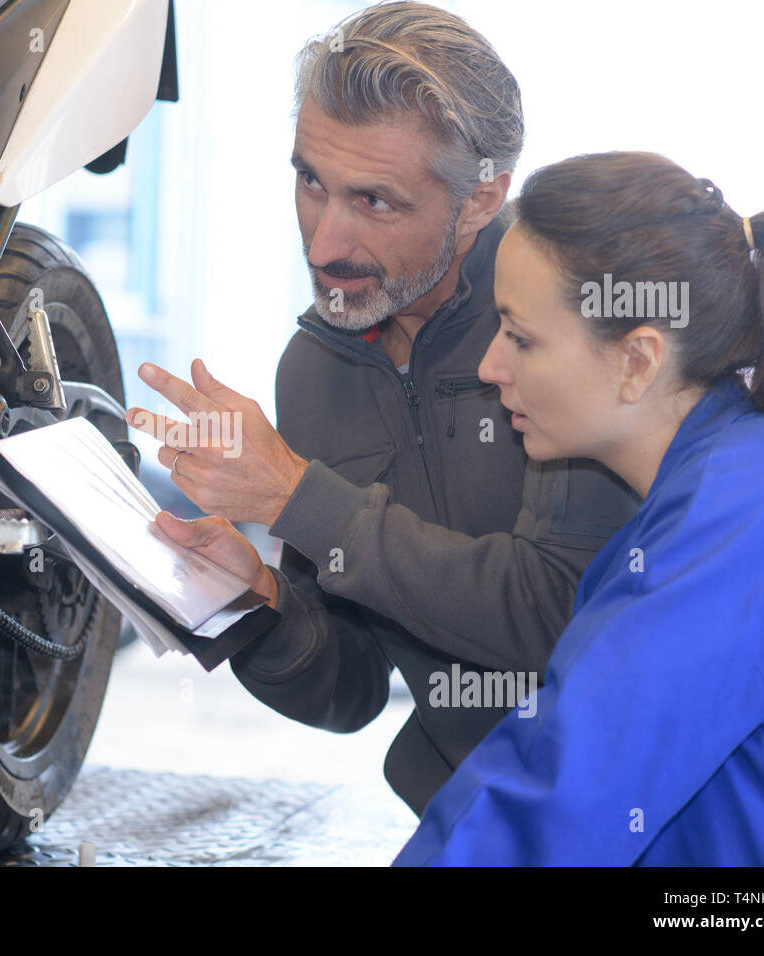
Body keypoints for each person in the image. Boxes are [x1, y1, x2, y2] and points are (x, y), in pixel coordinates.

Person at [127, 2, 640, 815]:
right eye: (310, 182)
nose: (325, 243)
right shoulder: (317, 369)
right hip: (477, 819)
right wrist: (255, 603)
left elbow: (561, 622)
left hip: (662, 822)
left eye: (375, 202)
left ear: (481, 198)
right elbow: (354, 685)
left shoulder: (573, 323)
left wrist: (300, 496)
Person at [394, 150, 764, 865]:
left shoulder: (762, 489)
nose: (489, 366)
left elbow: (571, 787)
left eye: (521, 336)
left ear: (638, 360)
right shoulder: (716, 487)